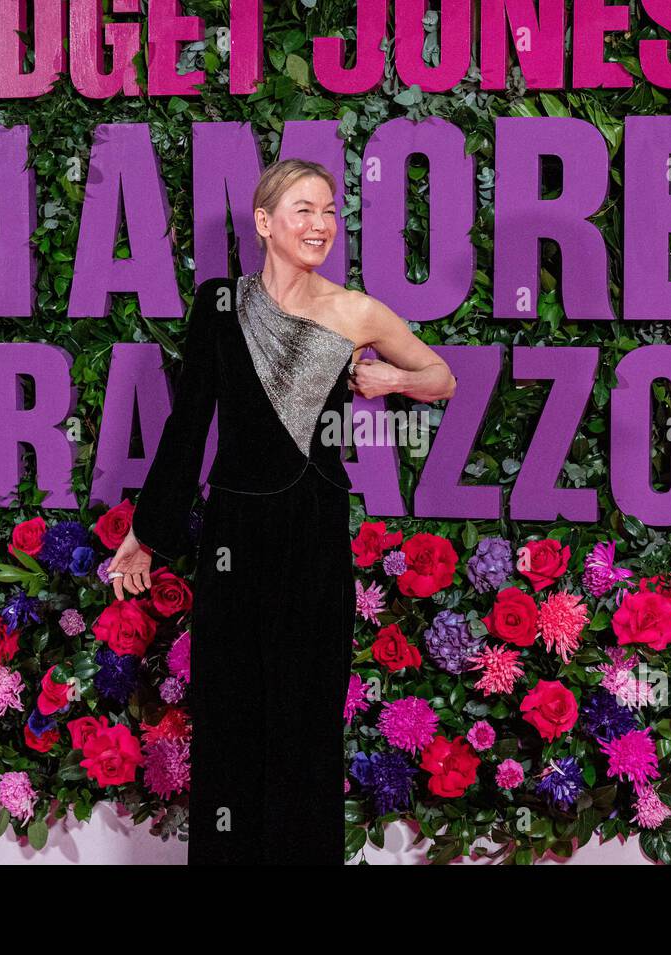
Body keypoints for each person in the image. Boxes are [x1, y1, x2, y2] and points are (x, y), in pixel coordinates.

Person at [106, 158, 456, 865]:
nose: (320, 224)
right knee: (231, 714)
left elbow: (441, 376)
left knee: (304, 719)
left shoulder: (354, 309)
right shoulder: (219, 304)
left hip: (316, 532)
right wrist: (149, 533)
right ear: (264, 223)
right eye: (303, 209)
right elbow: (188, 424)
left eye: (328, 210)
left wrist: (392, 378)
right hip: (235, 534)